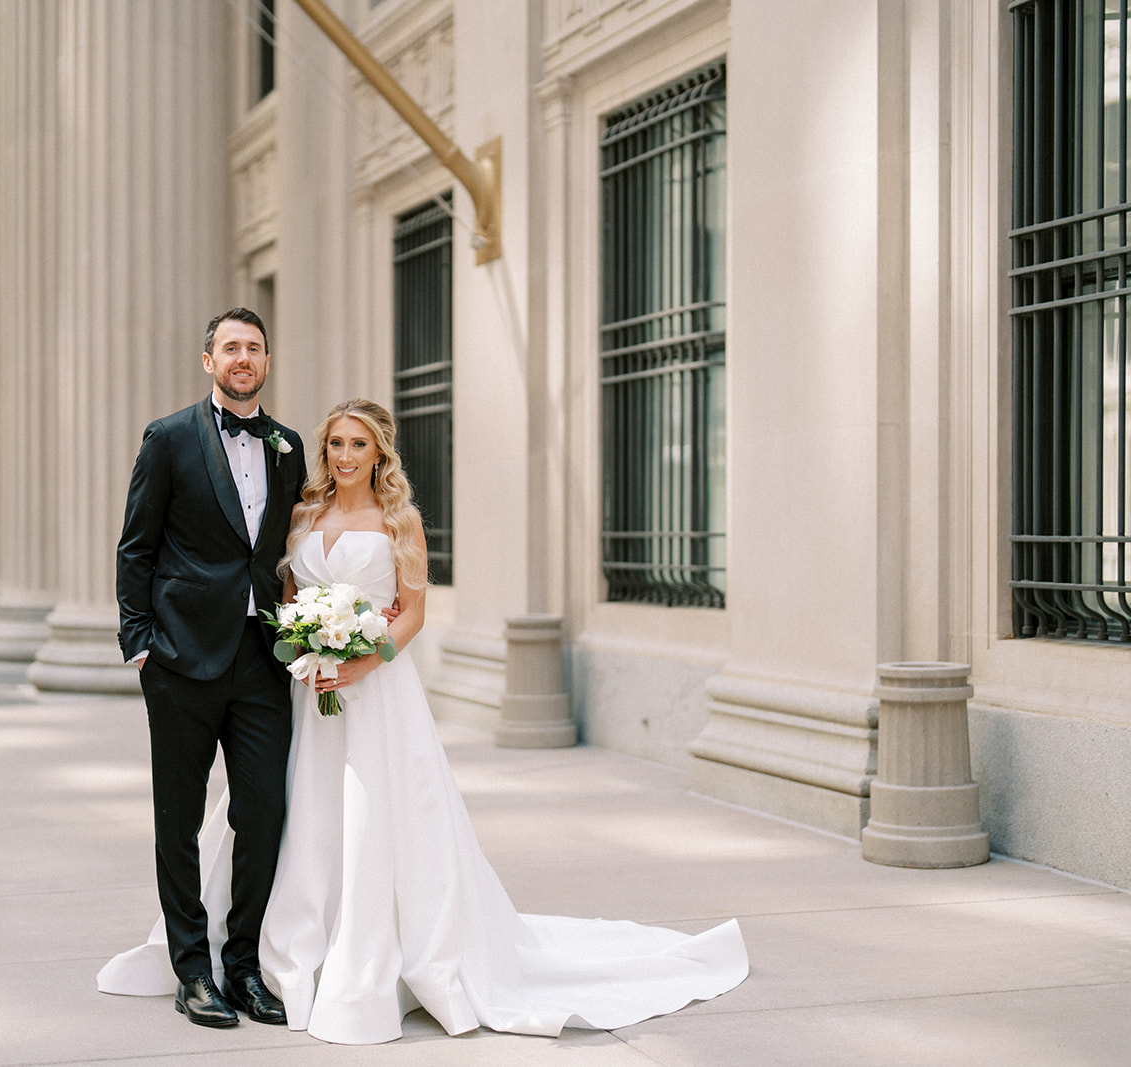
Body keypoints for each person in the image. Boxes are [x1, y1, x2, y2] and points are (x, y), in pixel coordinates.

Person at [101, 398, 749, 1045]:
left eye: (359, 445)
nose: (345, 456)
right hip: (311, 692)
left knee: (371, 816)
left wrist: (364, 657)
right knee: (302, 814)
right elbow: (289, 597)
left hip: (377, 691)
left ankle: (372, 953)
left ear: (380, 451)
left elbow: (411, 611)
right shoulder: (301, 512)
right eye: (336, 444)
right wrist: (305, 646)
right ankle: (283, 953)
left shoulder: (400, 518)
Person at [104, 307, 308, 1029]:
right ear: (208, 359)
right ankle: (194, 970)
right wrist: (141, 640)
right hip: (182, 659)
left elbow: (283, 549)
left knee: (263, 812)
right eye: (231, 347)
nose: (243, 357)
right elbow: (136, 545)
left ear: (267, 359)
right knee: (179, 818)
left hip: (262, 660)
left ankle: (246, 964)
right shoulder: (168, 438)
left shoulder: (289, 447)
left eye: (253, 347)